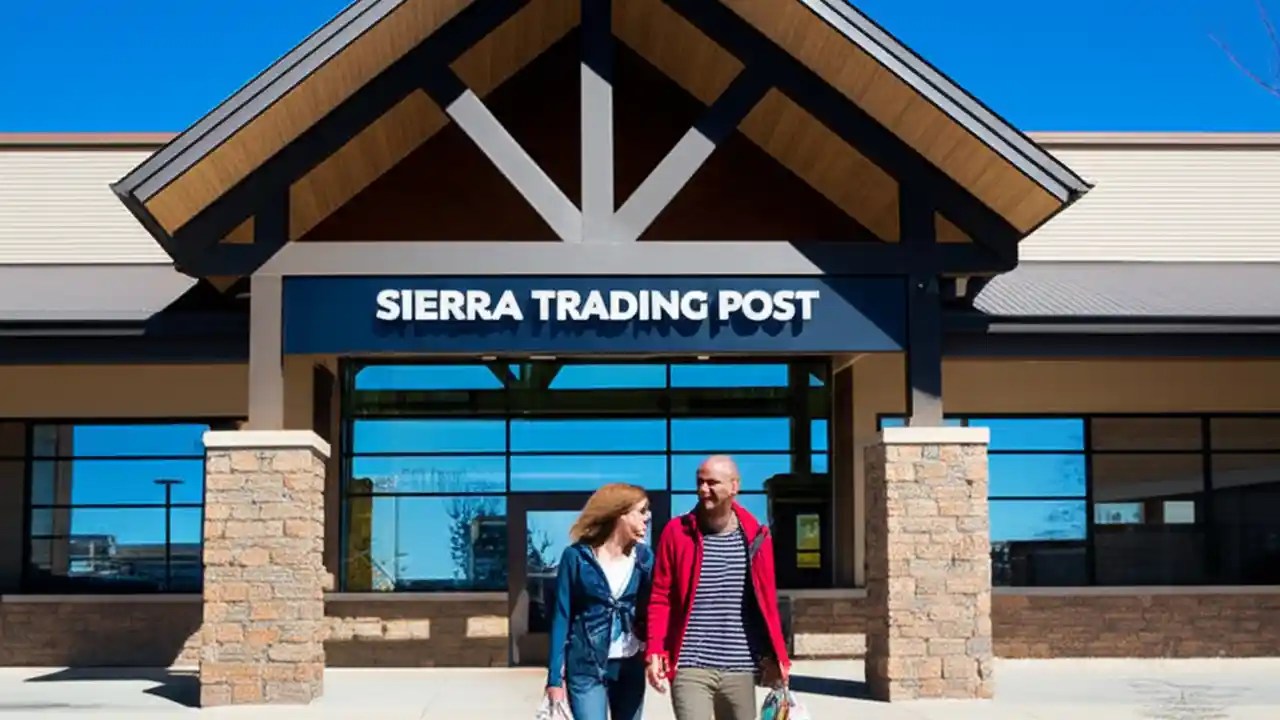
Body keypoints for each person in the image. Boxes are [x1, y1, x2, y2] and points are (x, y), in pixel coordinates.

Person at [645, 455, 791, 720]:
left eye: (712, 483)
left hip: (740, 665)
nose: (703, 489)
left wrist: (777, 655)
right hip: (690, 663)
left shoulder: (756, 536)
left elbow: (765, 600)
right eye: (700, 482)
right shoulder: (677, 532)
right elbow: (660, 597)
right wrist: (655, 649)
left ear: (734, 486)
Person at [545, 483, 655, 720]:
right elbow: (562, 616)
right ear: (620, 513)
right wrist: (554, 678)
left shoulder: (645, 558)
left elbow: (656, 607)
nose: (647, 518)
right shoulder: (576, 557)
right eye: (642, 510)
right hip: (586, 666)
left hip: (630, 666)